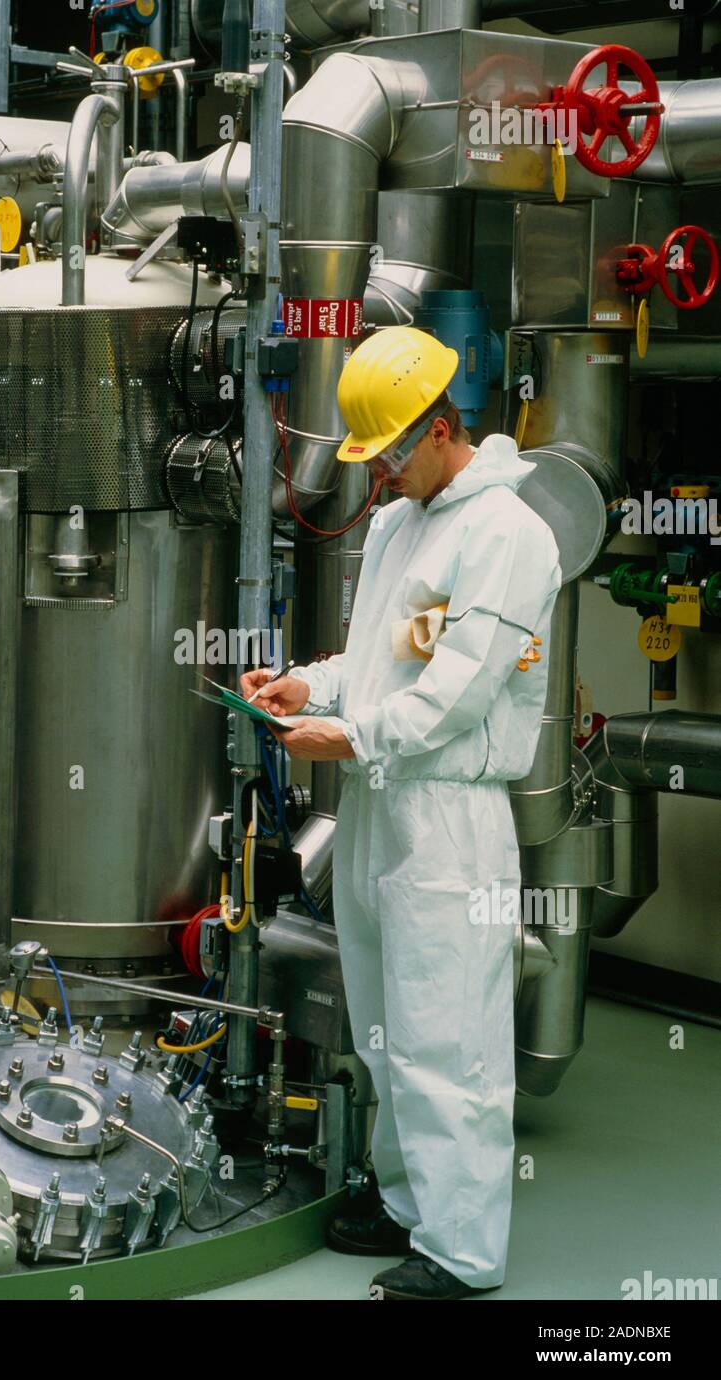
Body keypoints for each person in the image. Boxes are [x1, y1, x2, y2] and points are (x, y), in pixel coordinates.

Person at [243, 326, 562, 1301]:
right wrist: (306, 686)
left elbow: (455, 696)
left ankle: (461, 1250)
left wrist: (348, 739)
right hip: (384, 800)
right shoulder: (399, 526)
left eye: (386, 454)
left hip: (449, 818)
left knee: (446, 1033)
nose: (377, 475)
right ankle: (402, 1195)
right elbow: (387, 666)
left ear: (437, 428)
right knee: (381, 1018)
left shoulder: (507, 534)